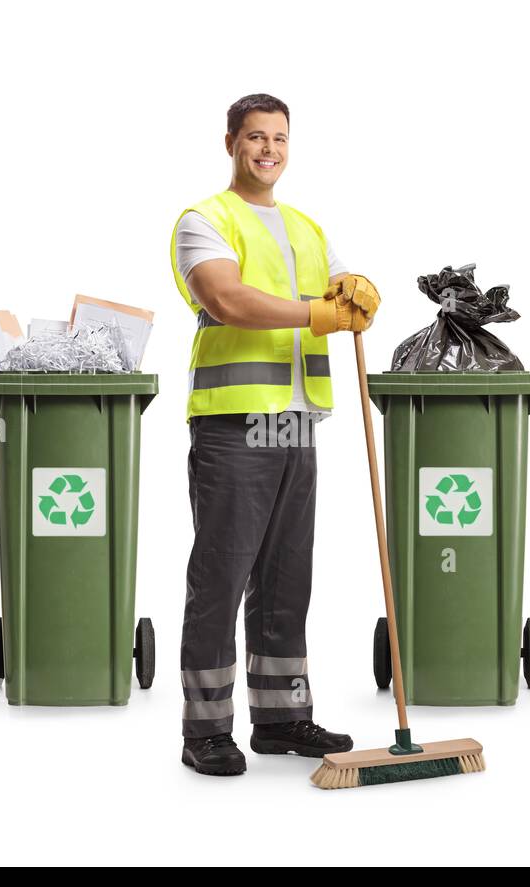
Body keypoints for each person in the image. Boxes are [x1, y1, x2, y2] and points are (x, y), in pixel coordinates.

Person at [169, 93, 381, 776]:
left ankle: (283, 717)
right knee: (222, 577)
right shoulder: (206, 221)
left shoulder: (308, 230)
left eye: (280, 139)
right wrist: (323, 313)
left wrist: (355, 290)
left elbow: (339, 293)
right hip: (234, 426)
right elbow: (227, 299)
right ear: (230, 141)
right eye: (256, 137)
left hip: (295, 424)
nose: (269, 149)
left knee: (288, 579)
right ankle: (205, 732)